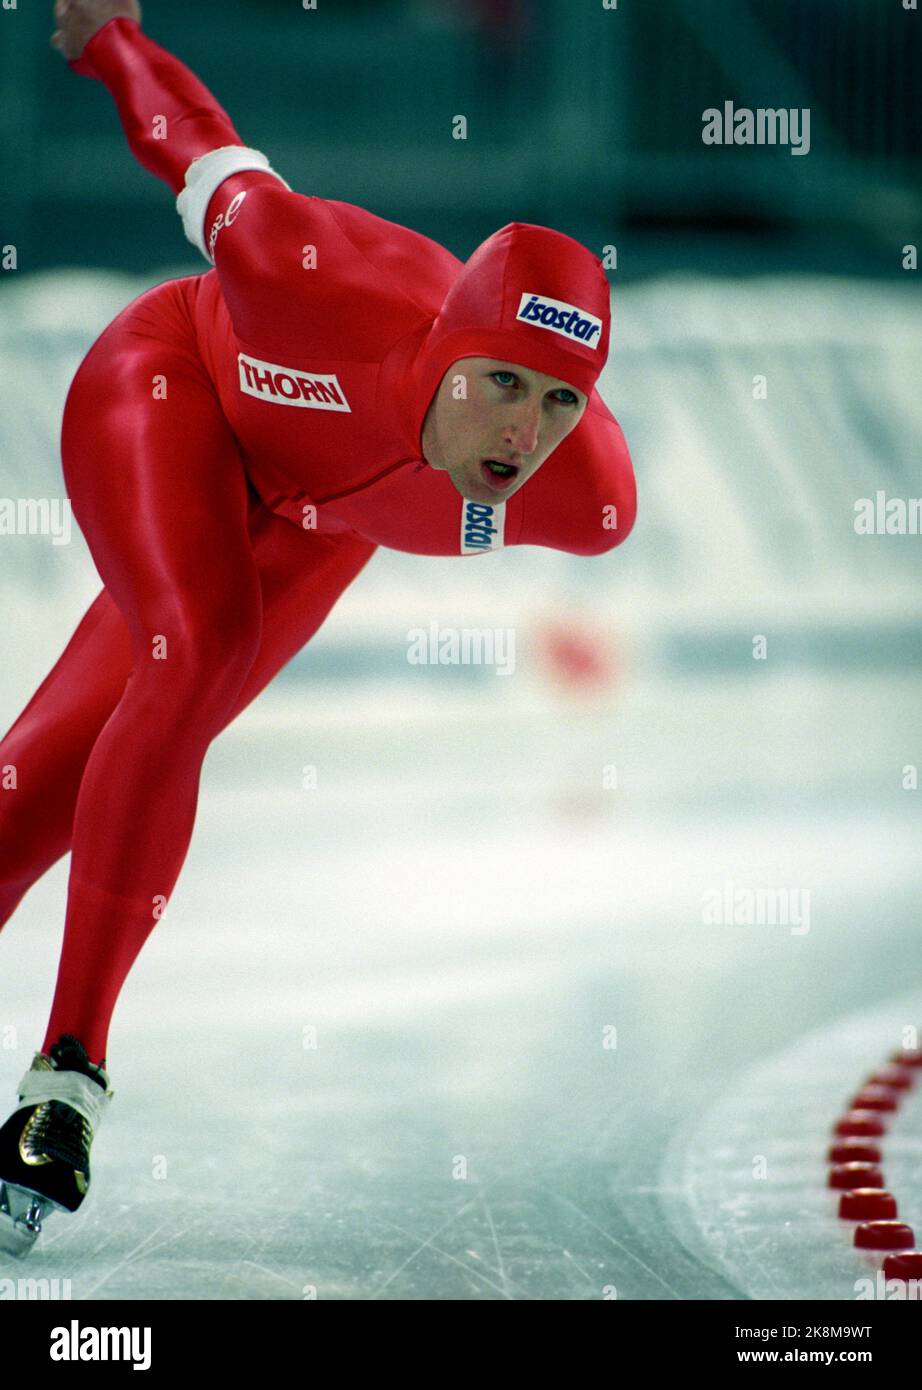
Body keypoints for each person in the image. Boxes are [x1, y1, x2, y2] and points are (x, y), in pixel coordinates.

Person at [0, 0, 636, 1255]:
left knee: (42, 790)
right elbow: (197, 145)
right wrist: (113, 40)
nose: (521, 432)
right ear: (446, 348)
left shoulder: (586, 498)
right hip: (173, 385)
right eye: (500, 382)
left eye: (557, 402)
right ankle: (69, 1080)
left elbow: (396, 497)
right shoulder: (309, 273)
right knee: (190, 659)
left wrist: (352, 502)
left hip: (316, 522)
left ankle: (52, 1082)